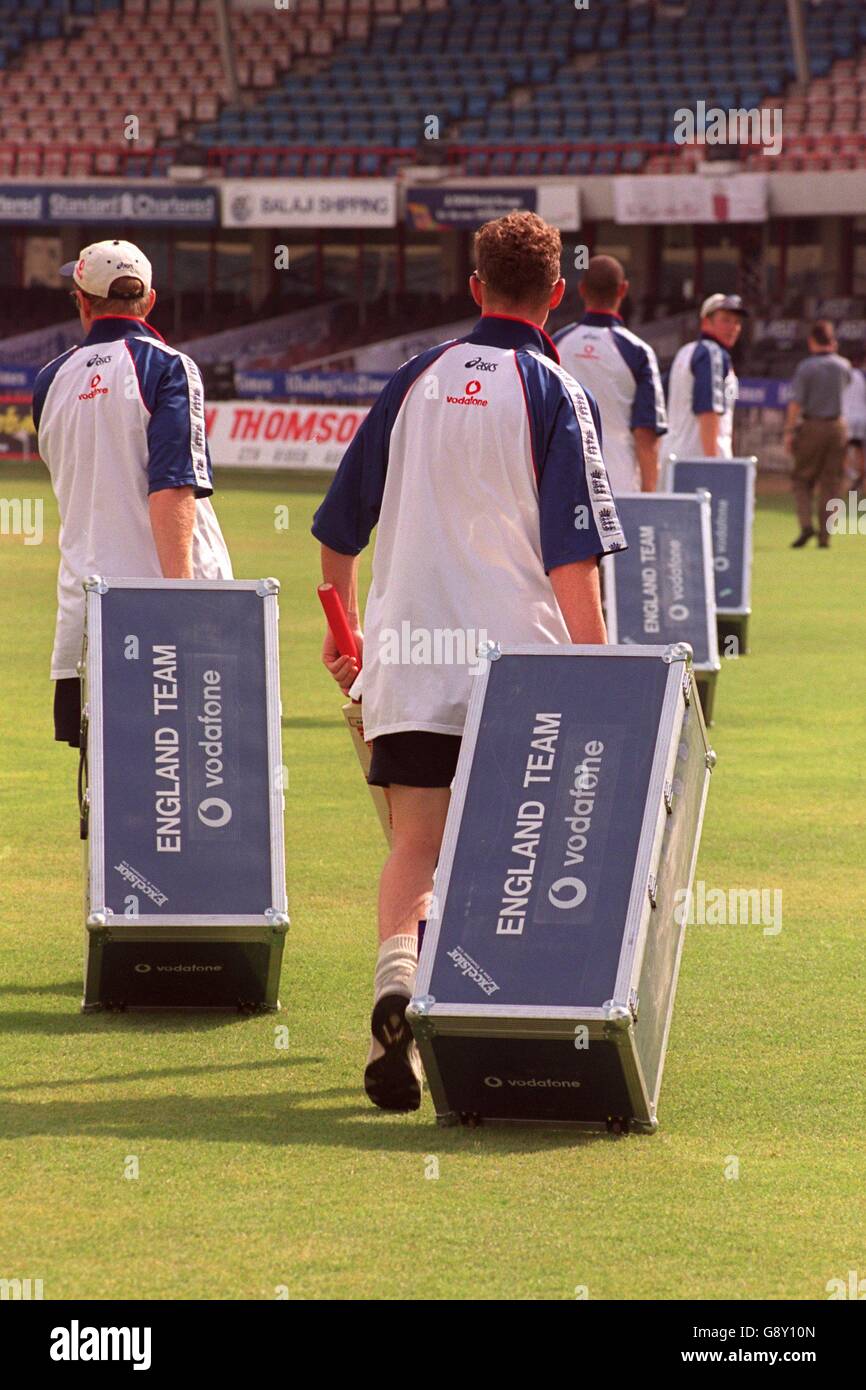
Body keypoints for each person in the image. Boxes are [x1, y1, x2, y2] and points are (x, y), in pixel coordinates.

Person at [311, 210, 626, 1113]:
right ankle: (496, 1034)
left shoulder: (413, 378)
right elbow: (574, 559)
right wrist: (599, 671)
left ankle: (398, 984)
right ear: (557, 296)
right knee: (513, 860)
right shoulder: (557, 392)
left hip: (410, 664)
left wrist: (346, 635)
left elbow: (335, 532)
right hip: (518, 673)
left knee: (418, 844)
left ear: (474, 285)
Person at [32, 238, 233, 750]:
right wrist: (184, 604)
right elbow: (172, 486)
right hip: (162, 613)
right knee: (184, 785)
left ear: (81, 299)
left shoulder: (49, 380)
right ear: (149, 300)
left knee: (109, 793)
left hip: (84, 612)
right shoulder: (169, 366)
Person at [553, 254, 667, 492]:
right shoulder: (639, 352)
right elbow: (646, 434)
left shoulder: (556, 344)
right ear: (623, 290)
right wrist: (649, 497)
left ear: (582, 290)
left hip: (562, 480)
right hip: (618, 483)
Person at [784, 320, 852, 548]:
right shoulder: (844, 365)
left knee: (802, 479)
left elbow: (795, 402)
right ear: (832, 341)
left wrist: (790, 431)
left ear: (812, 341)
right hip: (837, 427)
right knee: (831, 483)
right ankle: (825, 536)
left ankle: (806, 525)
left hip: (812, 425)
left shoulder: (806, 367)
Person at [666, 293, 747, 460]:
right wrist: (712, 464)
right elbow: (709, 410)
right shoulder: (712, 354)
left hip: (674, 454)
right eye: (725, 320)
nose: (733, 327)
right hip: (698, 459)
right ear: (706, 322)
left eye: (737, 322)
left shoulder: (685, 352)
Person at [841, 345, 866, 493]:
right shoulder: (863, 376)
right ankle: (860, 479)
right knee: (860, 450)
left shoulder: (843, 374)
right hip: (862, 417)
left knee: (843, 451)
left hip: (846, 418)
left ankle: (850, 476)